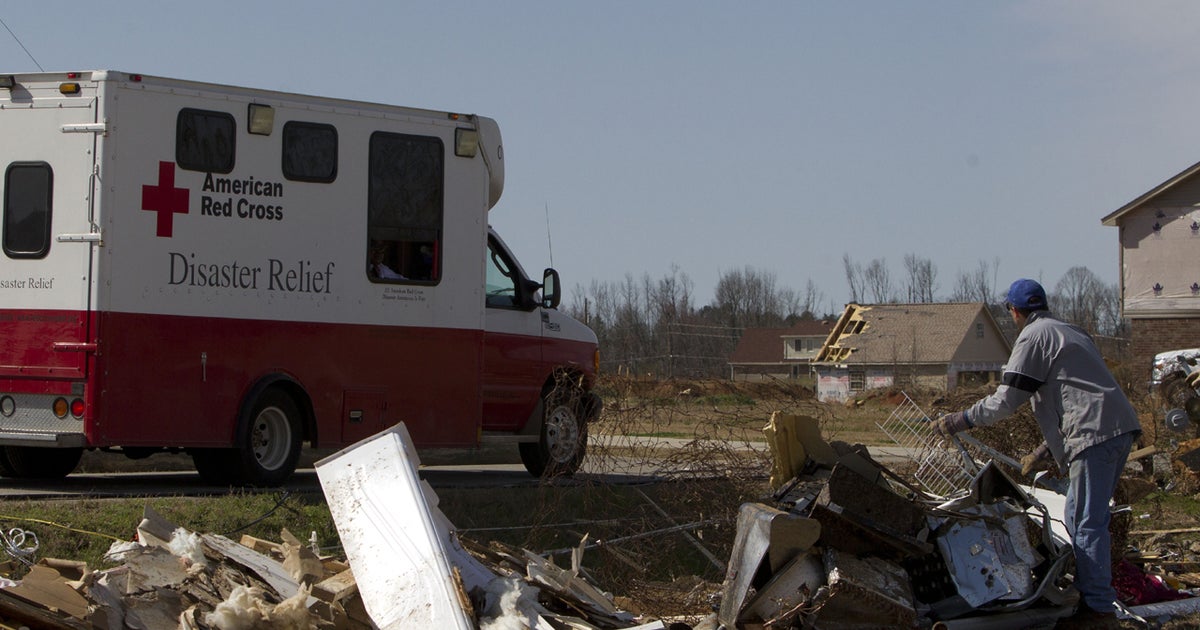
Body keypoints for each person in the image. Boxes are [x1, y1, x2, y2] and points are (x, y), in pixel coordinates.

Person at [933, 278, 1140, 625]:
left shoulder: (1033, 337)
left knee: (1087, 522)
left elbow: (1006, 401)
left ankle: (1098, 610)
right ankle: (1088, 593)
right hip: (1117, 428)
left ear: (1014, 311)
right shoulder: (1071, 332)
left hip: (1093, 434)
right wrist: (1046, 448)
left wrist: (961, 419)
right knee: (1076, 514)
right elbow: (1077, 391)